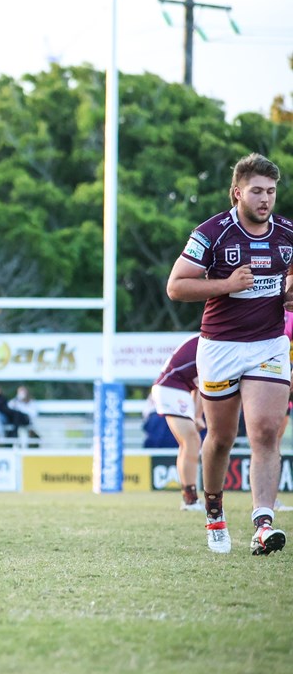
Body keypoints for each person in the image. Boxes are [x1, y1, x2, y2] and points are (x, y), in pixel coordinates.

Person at [167, 152, 293, 555]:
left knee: (265, 432)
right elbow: (176, 287)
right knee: (220, 438)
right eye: (257, 191)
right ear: (237, 192)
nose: (265, 199)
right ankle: (214, 513)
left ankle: (262, 524)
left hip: (268, 345)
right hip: (220, 348)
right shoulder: (212, 233)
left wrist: (289, 294)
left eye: (271, 192)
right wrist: (225, 285)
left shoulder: (288, 233)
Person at [146, 335, 206, 510]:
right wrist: (198, 415)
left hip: (176, 389)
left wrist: (196, 415)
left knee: (189, 442)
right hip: (171, 388)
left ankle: (189, 497)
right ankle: (190, 499)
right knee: (191, 441)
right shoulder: (211, 343)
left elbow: (199, 384)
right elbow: (204, 383)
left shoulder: (207, 339)